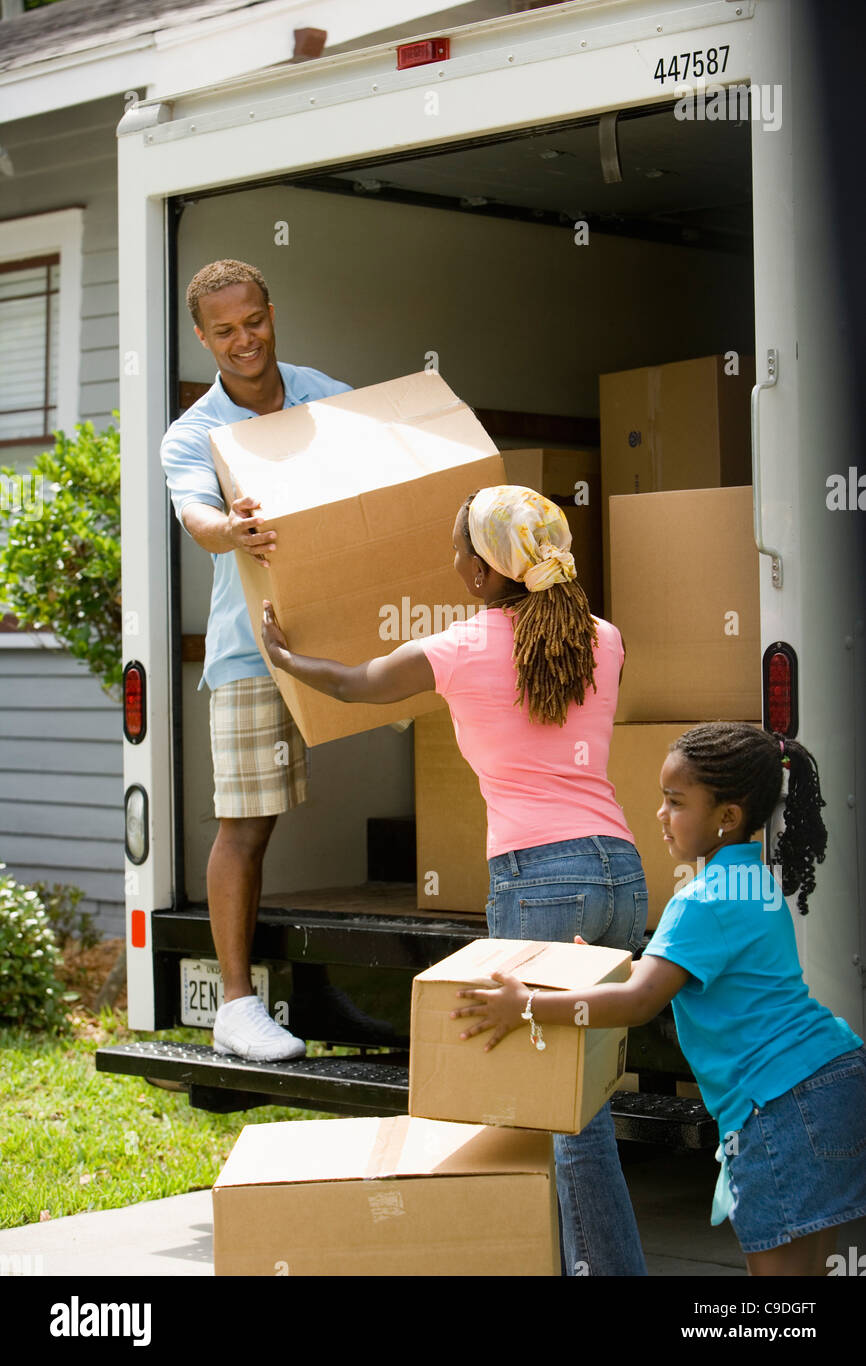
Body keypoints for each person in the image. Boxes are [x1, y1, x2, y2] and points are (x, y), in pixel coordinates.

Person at [260, 484, 649, 1276]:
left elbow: (356, 683)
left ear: (483, 571)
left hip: (542, 880)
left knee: (561, 1117)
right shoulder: (603, 638)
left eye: (462, 551)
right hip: (621, 872)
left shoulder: (463, 646)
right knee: (586, 1102)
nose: (455, 563)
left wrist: (285, 658)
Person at [452, 721, 866, 1277]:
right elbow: (669, 973)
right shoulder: (754, 881)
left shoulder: (701, 899)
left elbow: (640, 1002)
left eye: (675, 801)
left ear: (727, 816)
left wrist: (527, 1005)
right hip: (831, 1081)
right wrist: (601, 969)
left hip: (782, 1103)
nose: (660, 814)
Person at [160, 258, 352, 1061]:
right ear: (203, 338)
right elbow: (197, 516)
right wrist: (229, 529)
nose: (246, 341)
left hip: (348, 630)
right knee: (245, 824)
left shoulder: (326, 397)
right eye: (226, 331)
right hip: (253, 648)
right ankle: (236, 1007)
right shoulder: (195, 433)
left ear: (273, 311)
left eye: (255, 321)